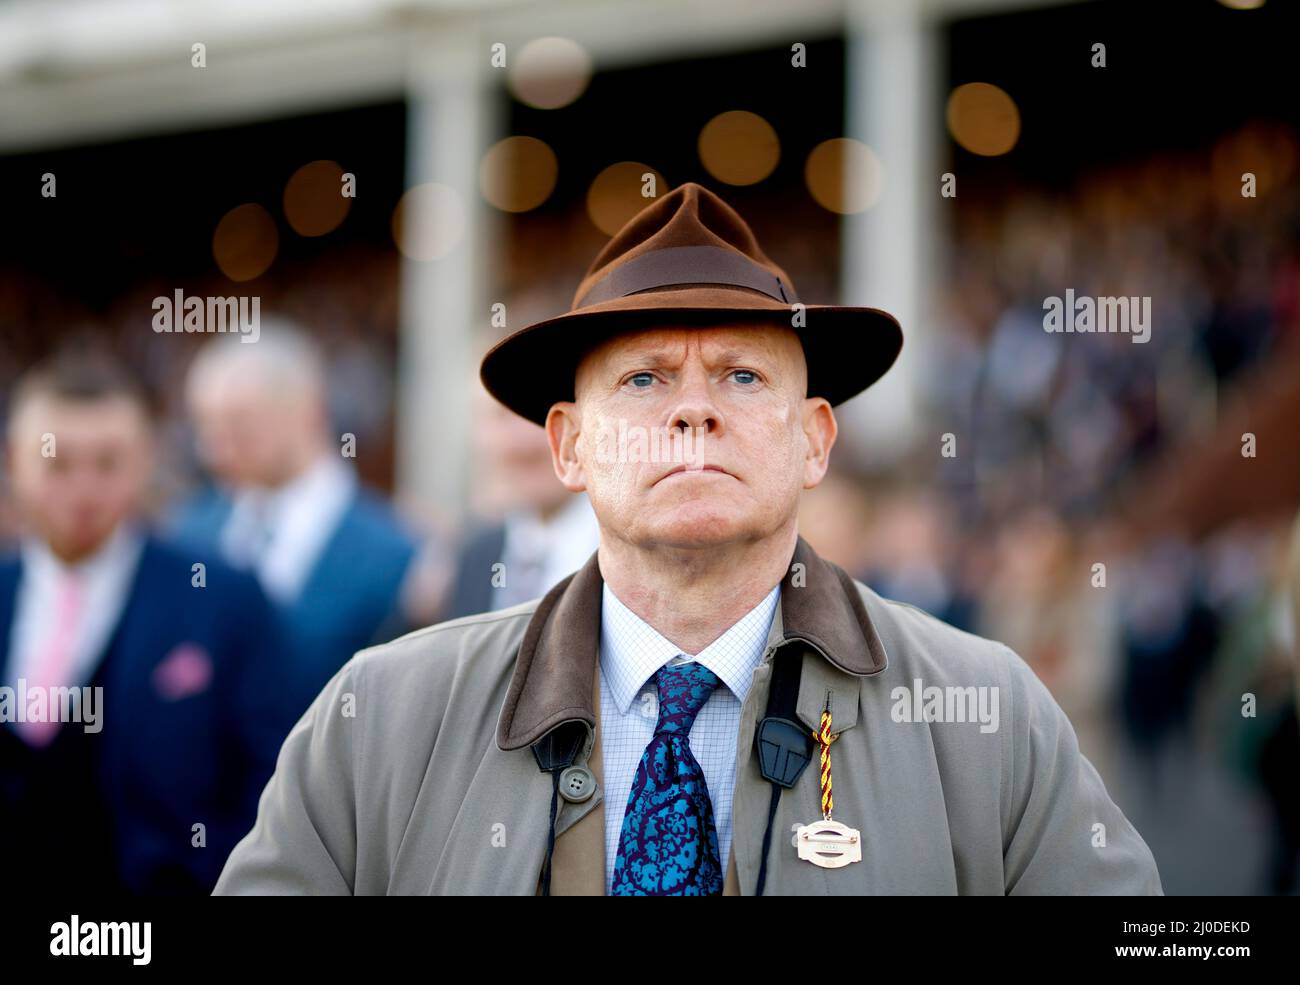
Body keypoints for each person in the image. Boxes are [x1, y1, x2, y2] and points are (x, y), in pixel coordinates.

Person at [215, 183, 1163, 895]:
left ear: (815, 441)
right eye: (645, 378)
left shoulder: (987, 714)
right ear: (569, 445)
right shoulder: (378, 719)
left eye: (745, 376)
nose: (696, 412)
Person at [0, 350, 292, 894]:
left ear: (145, 461)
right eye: (58, 463)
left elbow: (271, 784)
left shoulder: (224, 600)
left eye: (108, 463)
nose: (84, 489)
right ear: (15, 461)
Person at [171, 319, 418, 714]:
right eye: (206, 424)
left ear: (310, 410)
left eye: (240, 423)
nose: (215, 446)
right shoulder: (187, 534)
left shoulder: (397, 552)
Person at [443, 383, 599, 619]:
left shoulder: (630, 559)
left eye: (544, 415)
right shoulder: (476, 556)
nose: (523, 442)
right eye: (503, 416)